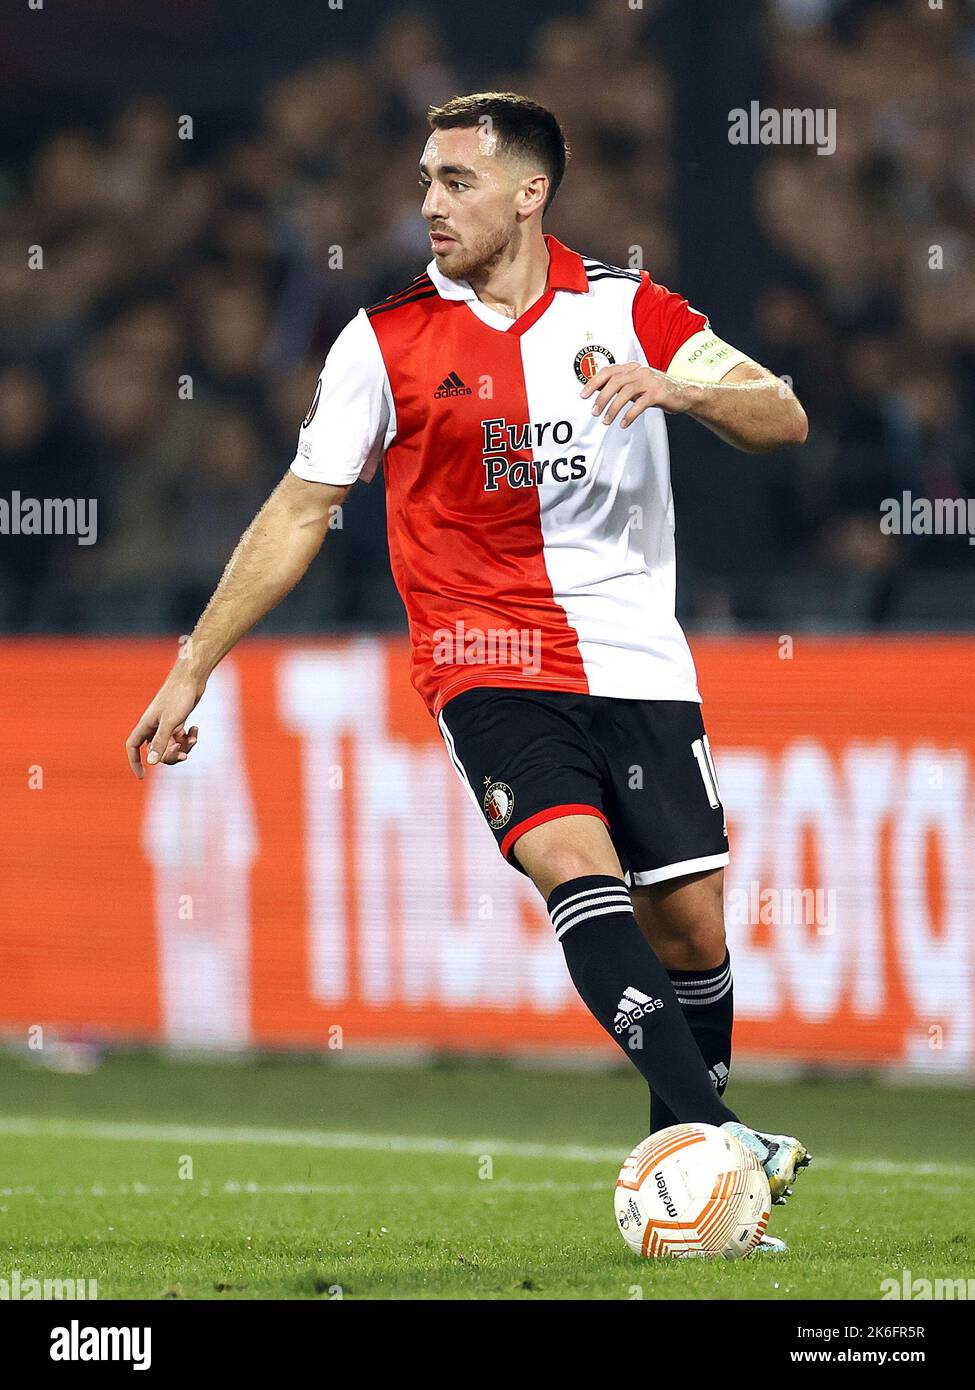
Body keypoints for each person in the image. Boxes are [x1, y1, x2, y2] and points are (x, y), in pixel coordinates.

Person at [125, 92, 811, 1234]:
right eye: (428, 180)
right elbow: (301, 509)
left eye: (457, 181)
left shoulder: (629, 307)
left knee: (691, 930)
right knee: (574, 870)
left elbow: (780, 413)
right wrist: (196, 660)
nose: (430, 203)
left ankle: (709, 1178)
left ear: (530, 192)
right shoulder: (383, 340)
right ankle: (726, 1144)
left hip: (637, 658)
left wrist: (677, 387)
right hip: (484, 656)